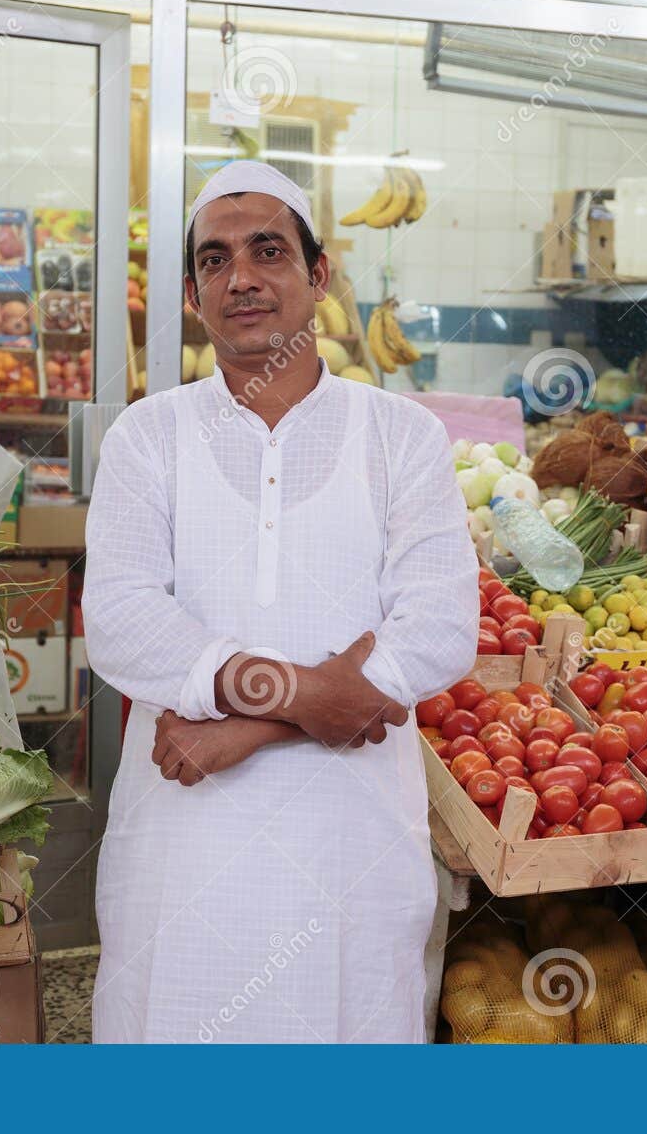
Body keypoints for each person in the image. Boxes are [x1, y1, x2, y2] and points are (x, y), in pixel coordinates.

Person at [85, 161, 478, 1043]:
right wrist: (309, 696)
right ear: (192, 295)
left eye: (268, 250)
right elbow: (120, 617)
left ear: (319, 275)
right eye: (215, 260)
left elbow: (439, 629)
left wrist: (250, 725)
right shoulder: (148, 436)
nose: (242, 278)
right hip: (182, 839)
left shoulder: (403, 437)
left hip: (350, 837)